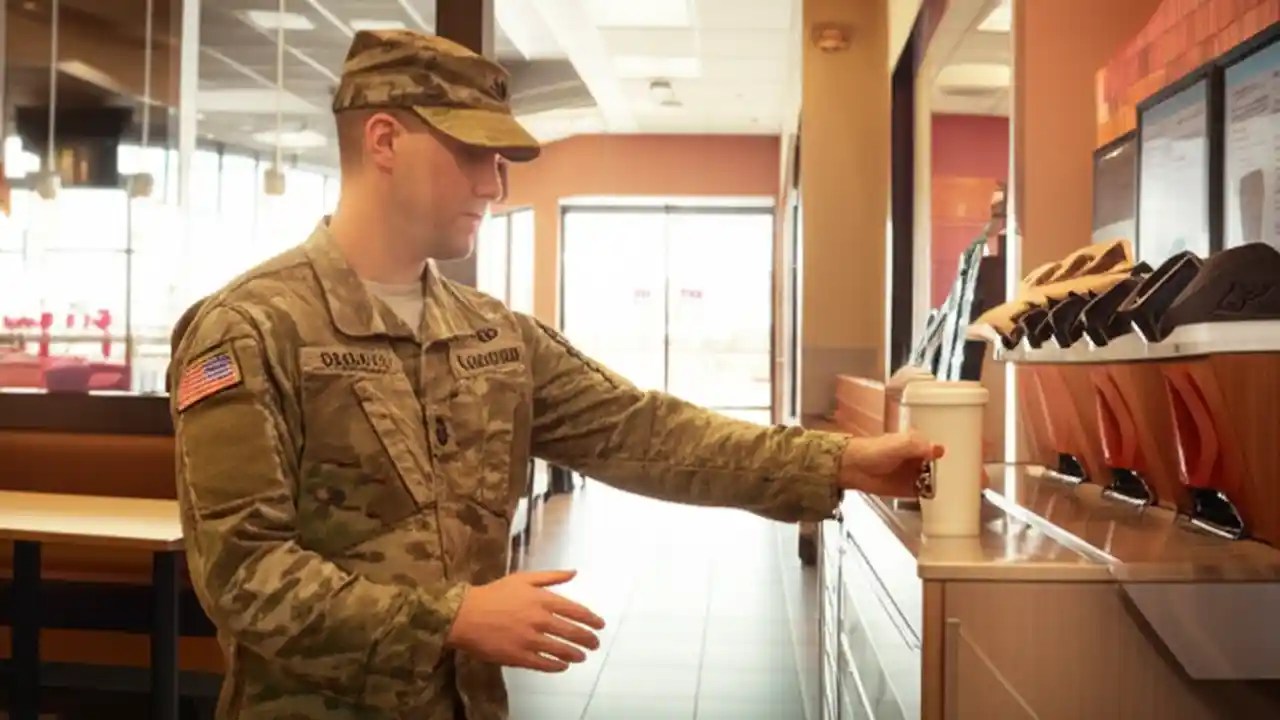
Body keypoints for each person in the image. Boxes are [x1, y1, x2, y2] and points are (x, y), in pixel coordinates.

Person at [167, 29, 943, 720]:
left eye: (500, 161)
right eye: (473, 152)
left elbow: (645, 431)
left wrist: (838, 461)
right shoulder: (249, 330)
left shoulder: (492, 336)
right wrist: (451, 620)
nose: (494, 185)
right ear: (383, 139)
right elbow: (244, 575)